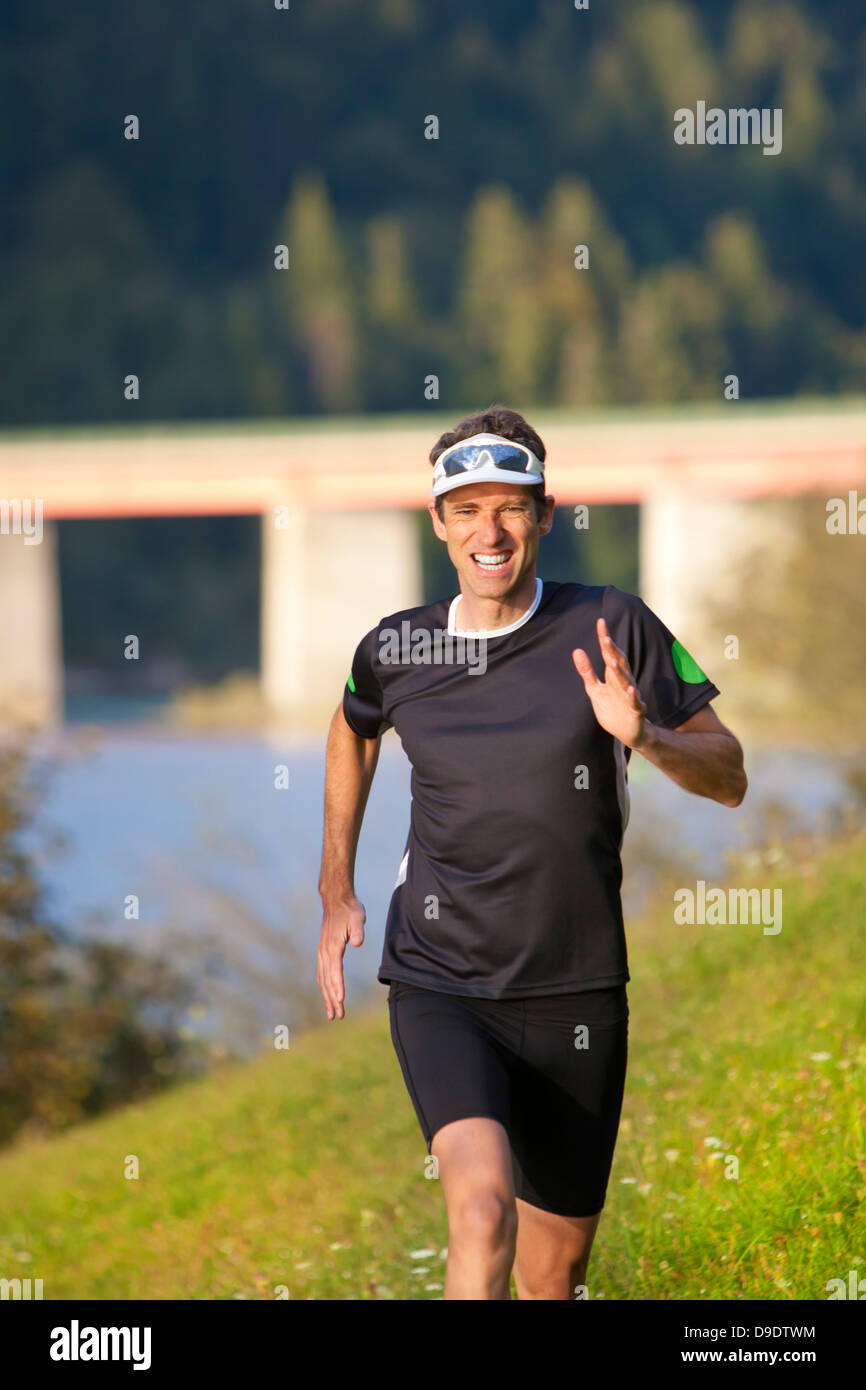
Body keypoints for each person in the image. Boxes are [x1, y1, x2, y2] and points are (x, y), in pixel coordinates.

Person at [317, 404, 747, 1300]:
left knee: (554, 1277)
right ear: (437, 524)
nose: (490, 530)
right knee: (480, 1213)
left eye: (511, 507)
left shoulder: (613, 625)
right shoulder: (396, 646)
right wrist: (336, 889)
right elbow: (353, 728)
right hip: (443, 982)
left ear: (546, 515)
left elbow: (731, 775)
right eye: (466, 509)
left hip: (577, 992)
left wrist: (648, 738)